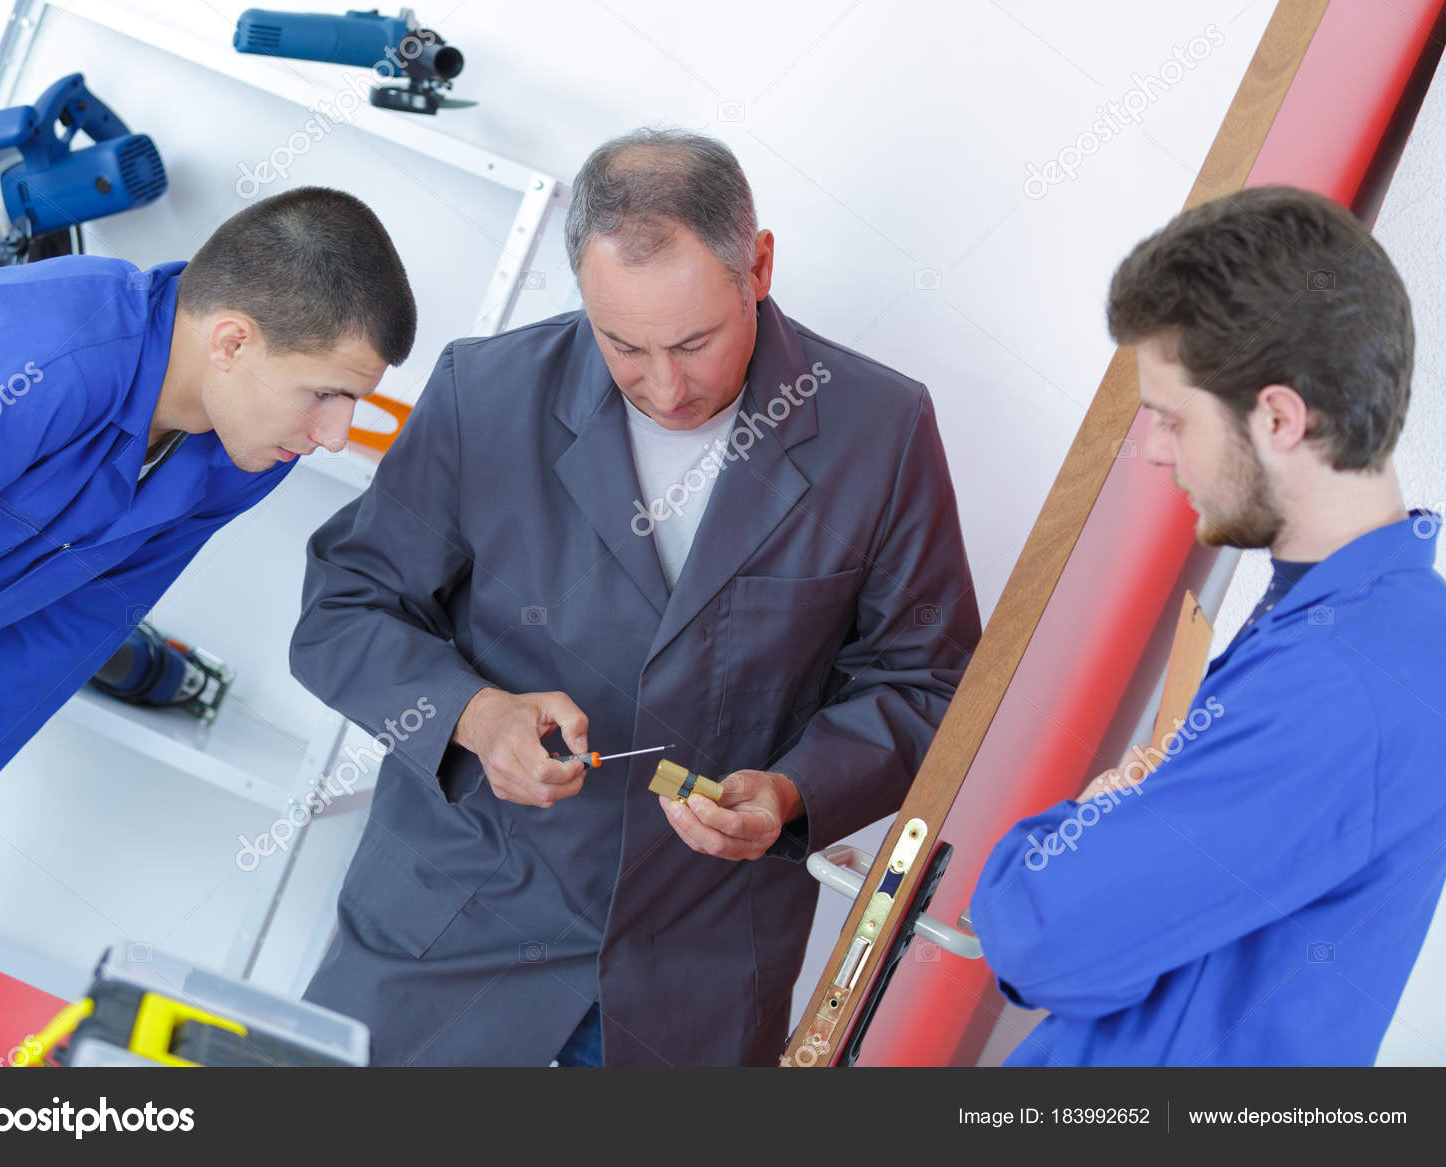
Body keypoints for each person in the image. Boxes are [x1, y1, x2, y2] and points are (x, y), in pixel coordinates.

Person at [289, 128, 982, 1066]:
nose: (665, 386)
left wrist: (789, 791)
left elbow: (926, 682)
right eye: (623, 345)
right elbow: (345, 608)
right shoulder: (483, 393)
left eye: (695, 342)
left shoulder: (881, 431)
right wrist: (476, 716)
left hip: (691, 984)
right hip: (447, 943)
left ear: (760, 266)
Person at [0, 187, 416, 931]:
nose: (337, 435)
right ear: (233, 342)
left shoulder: (240, 455)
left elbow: (50, 638)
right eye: (326, 393)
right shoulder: (44, 356)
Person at [971, 185, 1446, 1066]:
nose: (1155, 448)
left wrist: (1069, 836)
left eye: (1172, 417)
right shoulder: (1349, 620)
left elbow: (1044, 934)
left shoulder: (1344, 681)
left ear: (1277, 418)